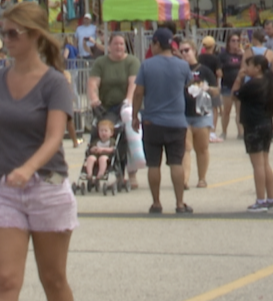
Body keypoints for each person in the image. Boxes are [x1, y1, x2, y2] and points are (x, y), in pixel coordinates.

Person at [0, 1, 76, 301]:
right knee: (6, 281)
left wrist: (28, 168)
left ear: (35, 35)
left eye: (13, 33)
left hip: (47, 186)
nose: (6, 40)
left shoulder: (54, 83)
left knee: (53, 279)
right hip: (4, 188)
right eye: (2, 32)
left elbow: (54, 137)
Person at [131, 27, 192, 214]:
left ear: (157, 44)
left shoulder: (147, 65)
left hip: (152, 121)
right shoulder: (182, 66)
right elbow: (188, 86)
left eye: (153, 43)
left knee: (153, 164)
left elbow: (139, 92)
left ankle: (156, 202)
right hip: (176, 121)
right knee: (176, 162)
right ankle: (180, 203)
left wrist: (135, 115)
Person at [87, 33, 141, 188]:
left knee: (127, 138)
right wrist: (94, 99)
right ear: (109, 46)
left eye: (122, 44)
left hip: (127, 107)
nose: (119, 47)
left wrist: (128, 101)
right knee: (102, 134)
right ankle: (96, 171)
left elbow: (133, 83)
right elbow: (93, 83)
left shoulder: (132, 61)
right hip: (107, 106)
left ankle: (130, 173)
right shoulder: (101, 63)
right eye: (116, 44)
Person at [236, 55, 273, 212]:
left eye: (249, 66)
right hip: (266, 122)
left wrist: (239, 79)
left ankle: (260, 200)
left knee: (258, 164)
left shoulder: (253, 84)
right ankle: (271, 199)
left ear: (258, 68)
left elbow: (236, 94)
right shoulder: (268, 81)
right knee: (265, 162)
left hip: (254, 124)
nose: (246, 69)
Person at [179, 40, 217, 188]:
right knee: (185, 148)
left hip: (201, 113)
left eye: (186, 50)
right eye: (181, 51)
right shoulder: (178, 69)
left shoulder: (204, 70)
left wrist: (205, 88)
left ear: (194, 51)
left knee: (202, 148)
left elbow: (216, 90)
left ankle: (202, 178)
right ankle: (184, 179)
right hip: (183, 113)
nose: (184, 54)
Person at [218, 34, 244, 140]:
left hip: (240, 85)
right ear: (228, 42)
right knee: (227, 110)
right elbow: (219, 69)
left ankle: (241, 132)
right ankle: (224, 131)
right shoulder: (223, 55)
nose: (235, 43)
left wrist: (243, 54)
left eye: (237, 41)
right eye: (233, 41)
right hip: (227, 85)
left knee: (239, 110)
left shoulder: (242, 55)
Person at [80, 119, 117, 187]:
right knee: (90, 158)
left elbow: (112, 149)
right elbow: (91, 148)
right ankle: (89, 174)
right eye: (101, 131)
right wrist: (93, 149)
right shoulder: (96, 141)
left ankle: (100, 174)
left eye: (106, 131)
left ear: (111, 133)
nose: (103, 133)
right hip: (96, 156)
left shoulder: (111, 141)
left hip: (106, 156)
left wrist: (103, 149)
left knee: (102, 158)